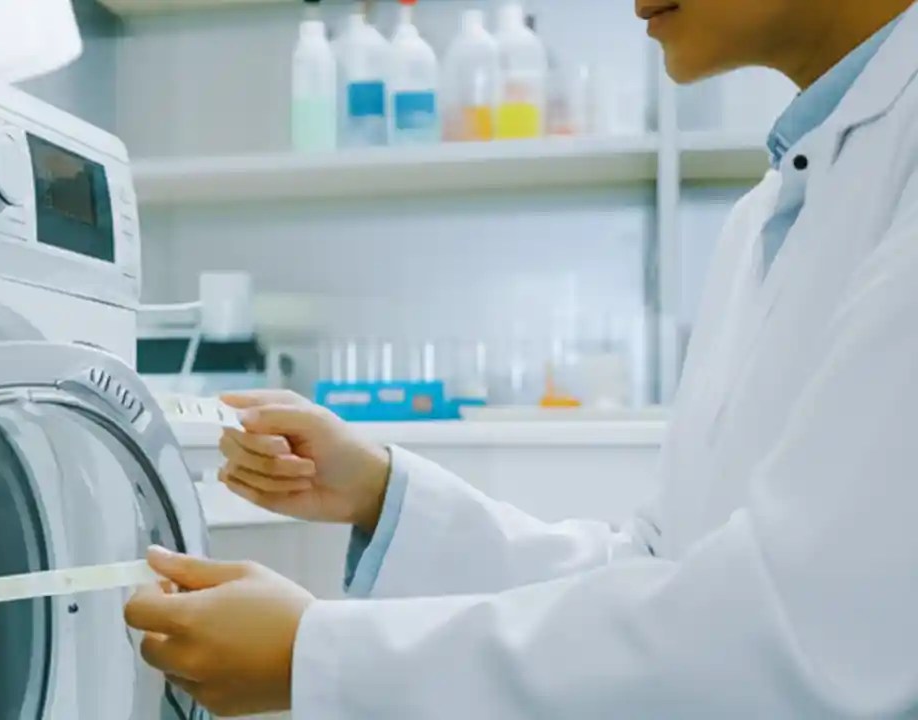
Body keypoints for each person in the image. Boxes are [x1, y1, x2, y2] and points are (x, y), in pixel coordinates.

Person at [125, 0, 918, 716]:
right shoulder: (770, 207)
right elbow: (658, 574)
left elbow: (802, 630)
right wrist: (382, 494)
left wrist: (317, 656)